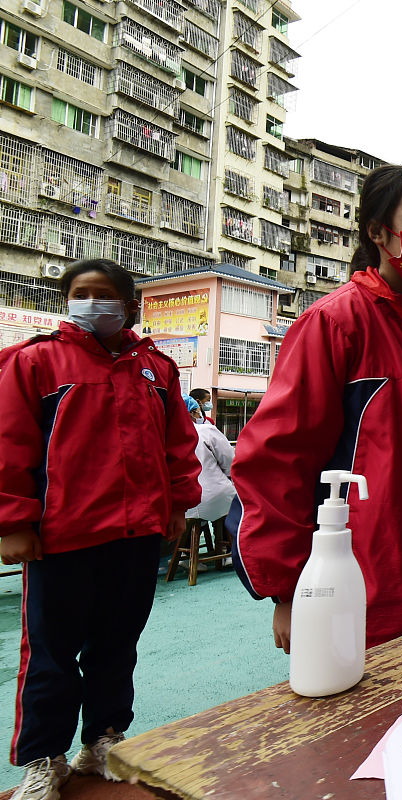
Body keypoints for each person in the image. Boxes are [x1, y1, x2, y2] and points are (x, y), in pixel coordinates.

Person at [230, 165, 402, 651]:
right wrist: (288, 588)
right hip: (368, 586)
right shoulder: (334, 324)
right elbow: (278, 459)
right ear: (379, 231)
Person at [0, 259, 201, 799]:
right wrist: (13, 523)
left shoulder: (157, 368)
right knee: (51, 653)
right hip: (61, 539)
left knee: (118, 645)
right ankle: (44, 758)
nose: (91, 303)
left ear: (132, 305)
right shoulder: (36, 363)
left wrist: (178, 505)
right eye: (79, 294)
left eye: (103, 294)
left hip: (135, 538)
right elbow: (9, 445)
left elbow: (178, 446)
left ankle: (104, 739)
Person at [185, 395, 235, 528]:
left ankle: (186, 542)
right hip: (215, 499)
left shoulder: (163, 435)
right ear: (191, 413)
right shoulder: (205, 430)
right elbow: (230, 463)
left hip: (180, 506)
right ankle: (224, 544)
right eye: (197, 411)